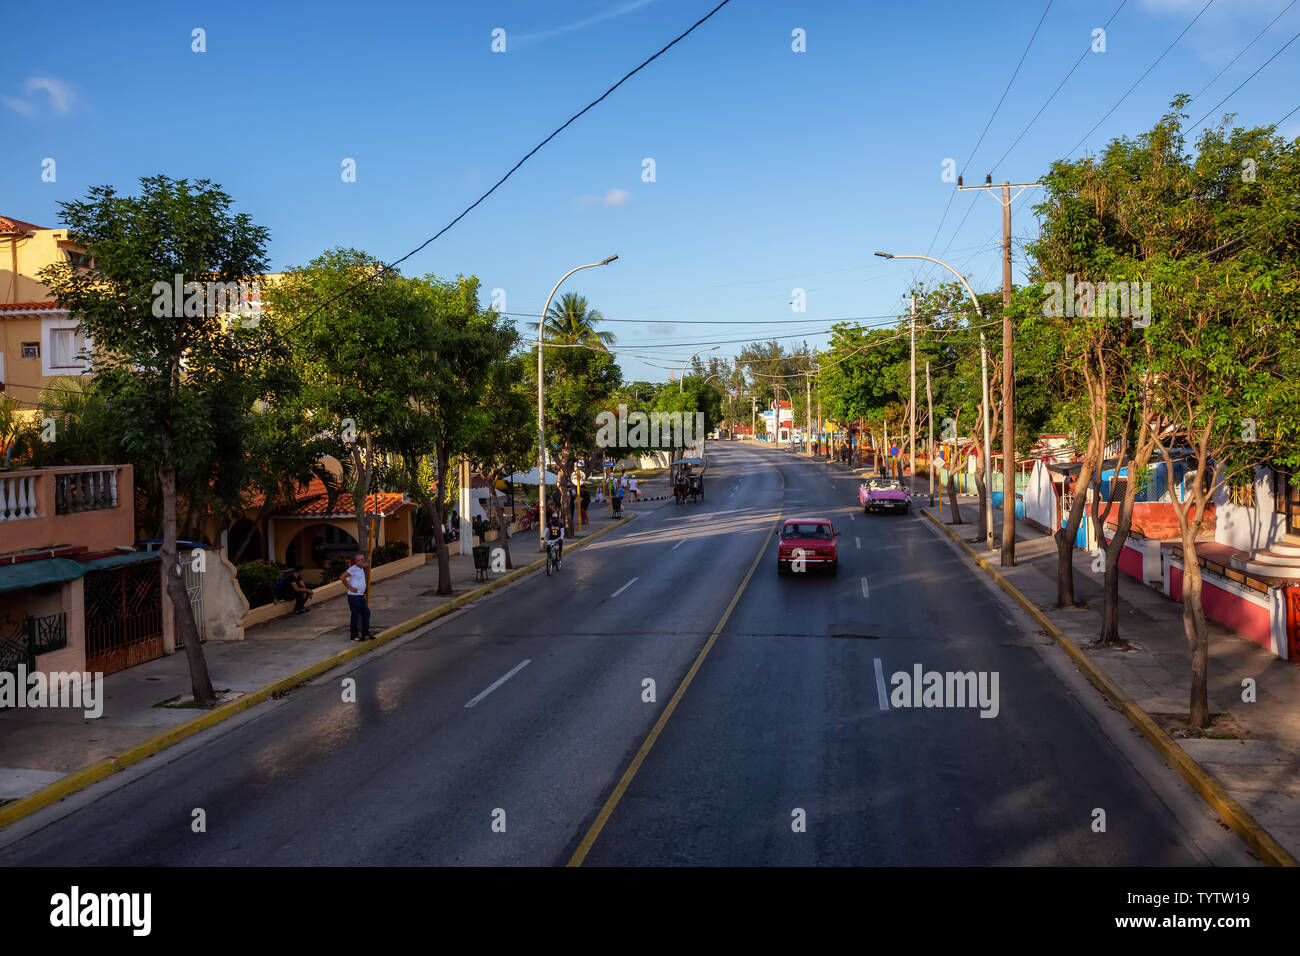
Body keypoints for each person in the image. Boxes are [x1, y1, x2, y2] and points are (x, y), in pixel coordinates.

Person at [340, 553, 373, 642]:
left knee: (366, 612)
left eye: (362, 559)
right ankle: (353, 636)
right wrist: (349, 587)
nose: (361, 561)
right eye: (359, 560)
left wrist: (369, 559)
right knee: (355, 615)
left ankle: (365, 633)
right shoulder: (353, 568)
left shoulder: (361, 567)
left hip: (360, 596)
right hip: (353, 597)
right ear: (355, 561)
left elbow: (366, 564)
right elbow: (342, 577)